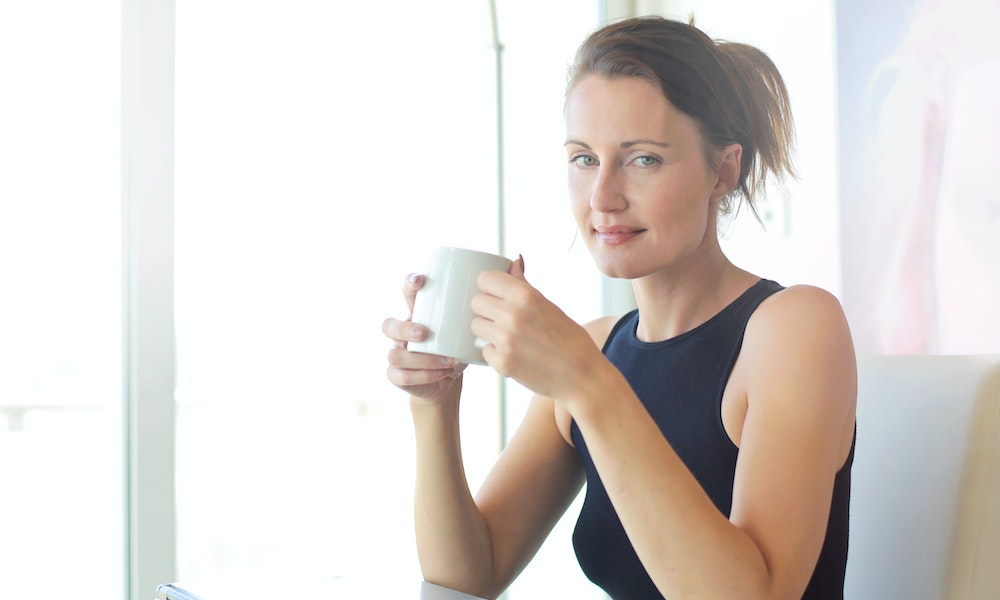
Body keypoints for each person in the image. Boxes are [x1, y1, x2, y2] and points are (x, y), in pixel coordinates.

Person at [383, 15, 856, 600]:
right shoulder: (596, 346)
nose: (602, 198)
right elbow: (466, 578)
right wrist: (434, 406)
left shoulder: (793, 329)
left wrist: (587, 382)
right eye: (584, 159)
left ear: (724, 168)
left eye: (643, 160)